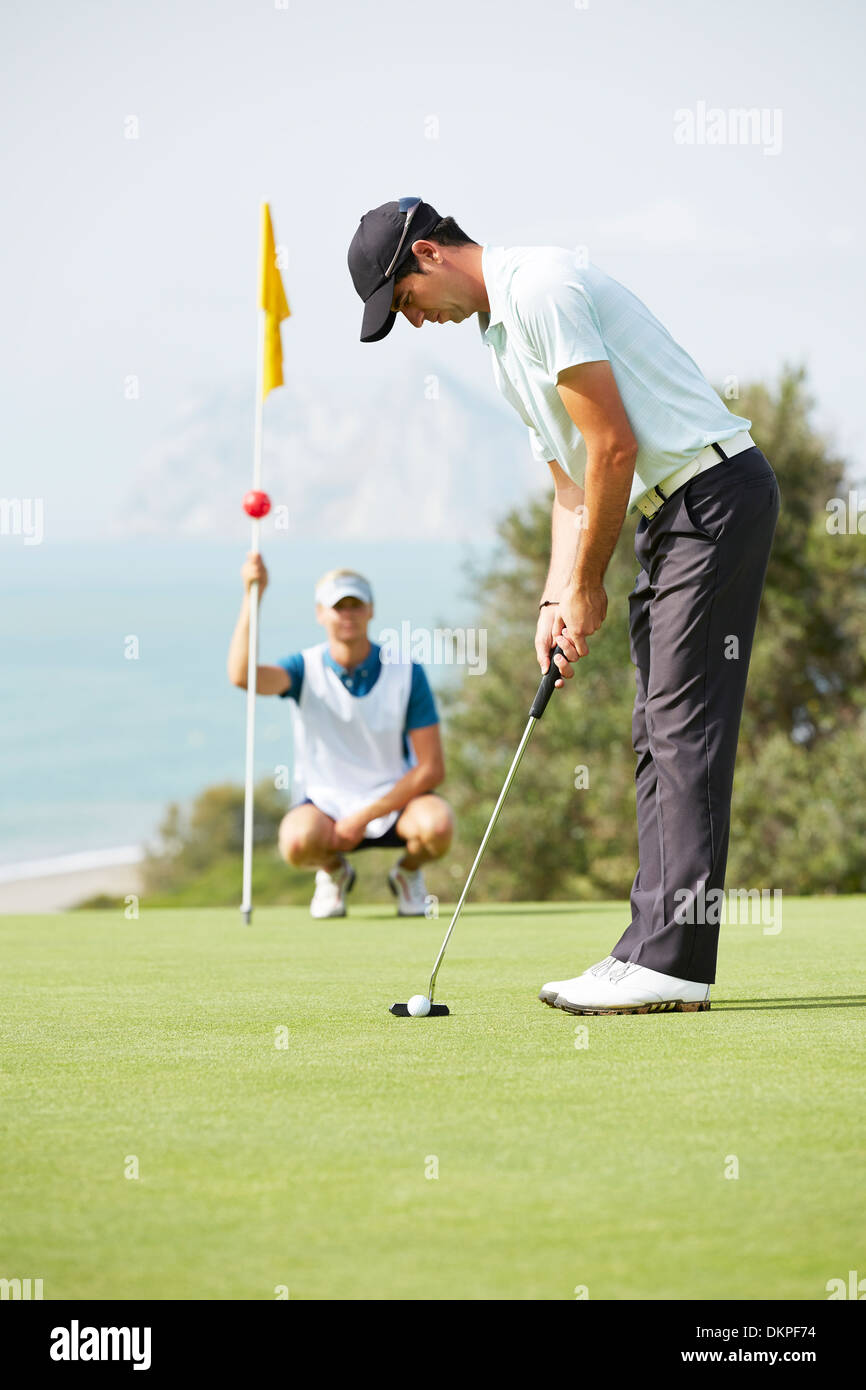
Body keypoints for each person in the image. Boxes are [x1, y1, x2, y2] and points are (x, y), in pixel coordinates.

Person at [347, 197, 780, 1014]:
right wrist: (556, 595)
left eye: (403, 302)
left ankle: (678, 962)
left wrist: (590, 582)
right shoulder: (501, 337)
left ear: (429, 254)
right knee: (656, 729)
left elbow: (613, 442)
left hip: (712, 496)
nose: (413, 322)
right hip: (671, 512)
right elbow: (572, 485)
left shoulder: (539, 287)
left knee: (684, 730)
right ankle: (647, 950)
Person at [227, 558, 454, 919]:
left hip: (394, 801)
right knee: (296, 842)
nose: (347, 614)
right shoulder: (303, 669)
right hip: (325, 804)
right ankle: (334, 872)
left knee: (437, 826)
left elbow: (431, 769)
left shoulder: (406, 671)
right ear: (321, 614)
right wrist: (252, 596)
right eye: (338, 607)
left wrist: (363, 818)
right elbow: (243, 677)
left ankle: (407, 873)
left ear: (370, 610)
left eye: (355, 605)